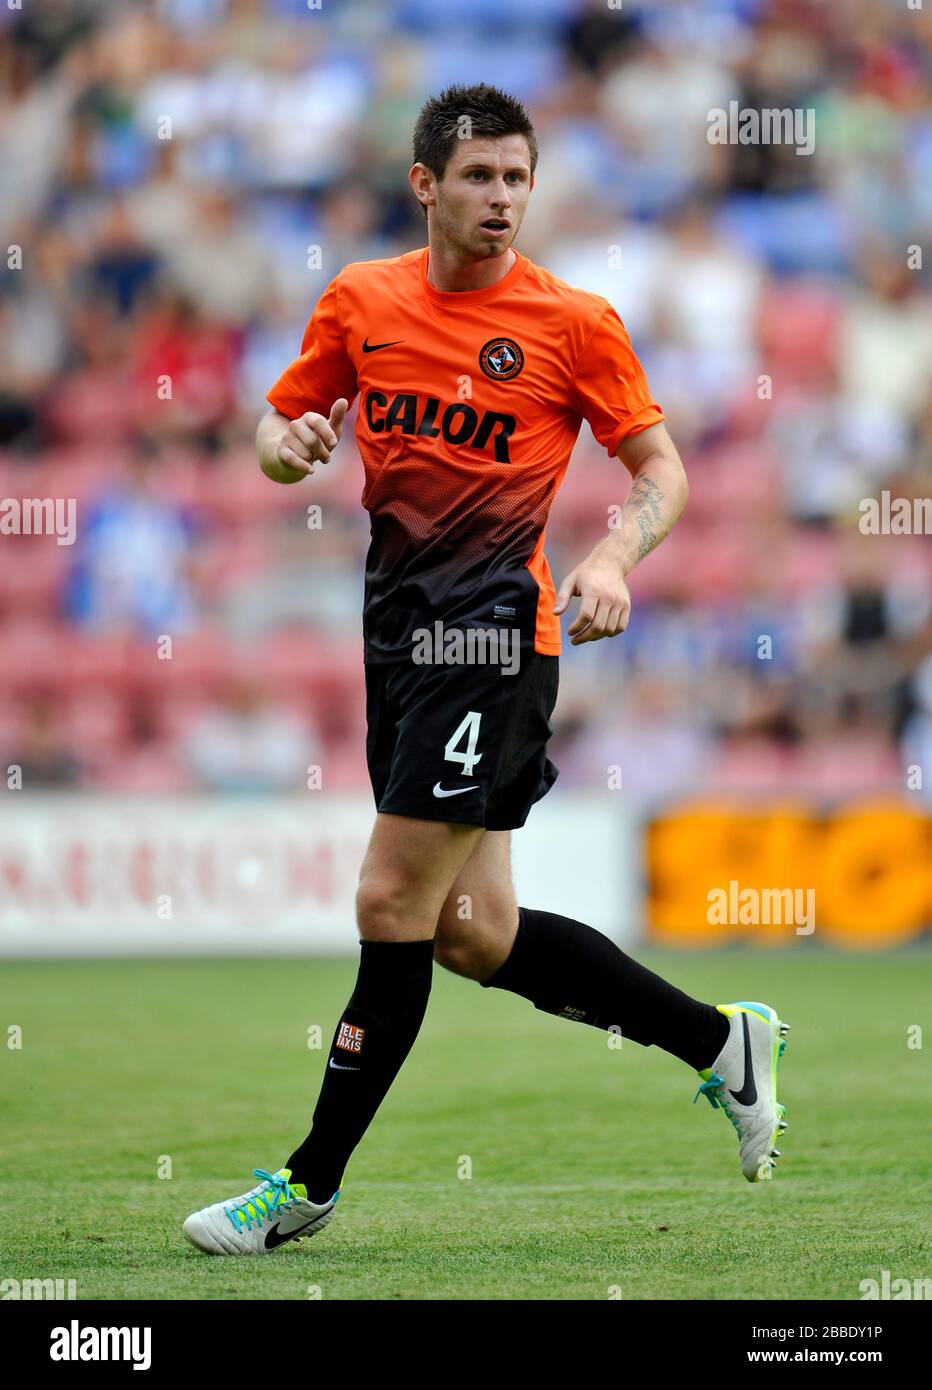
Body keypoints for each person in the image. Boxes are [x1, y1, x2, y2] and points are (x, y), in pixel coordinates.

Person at [183, 84, 789, 1257]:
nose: (501, 197)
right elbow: (275, 428)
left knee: (387, 901)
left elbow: (660, 471)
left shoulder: (572, 322)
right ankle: (724, 1043)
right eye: (477, 177)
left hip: (496, 641)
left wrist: (613, 554)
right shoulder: (360, 299)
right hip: (396, 638)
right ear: (425, 184)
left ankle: (303, 1184)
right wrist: (287, 444)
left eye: (516, 177)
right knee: (469, 931)